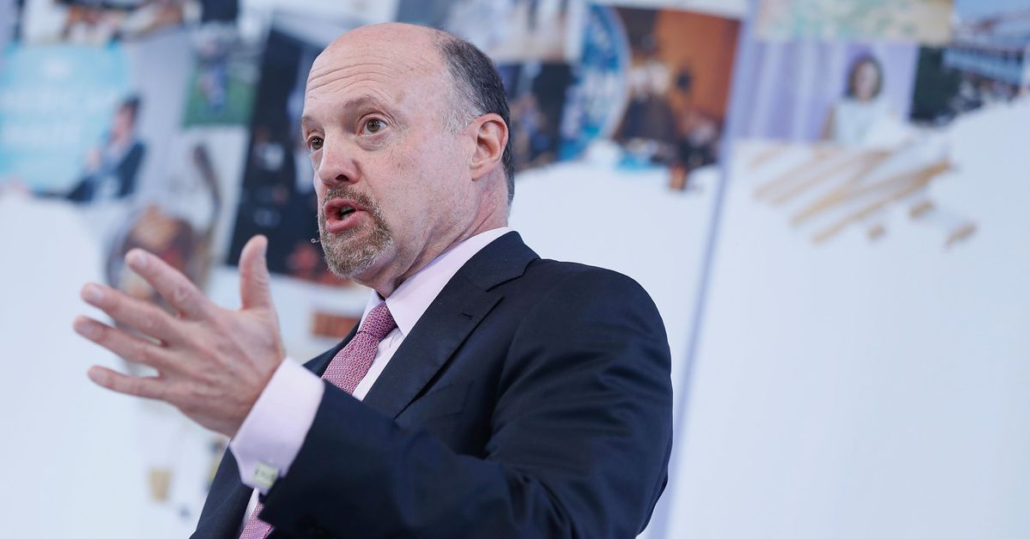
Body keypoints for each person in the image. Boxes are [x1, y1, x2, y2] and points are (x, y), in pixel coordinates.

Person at [73, 23, 673, 538]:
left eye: (371, 124)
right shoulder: (308, 382)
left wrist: (285, 418)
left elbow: (552, 526)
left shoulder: (584, 313)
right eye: (315, 140)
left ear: (482, 146)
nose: (328, 166)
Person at [62, 95, 146, 203]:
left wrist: (100, 164)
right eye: (116, 115)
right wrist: (91, 166)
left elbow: (124, 179)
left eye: (124, 117)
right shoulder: (103, 141)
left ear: (132, 120)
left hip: (118, 204)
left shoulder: (137, 148)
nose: (117, 121)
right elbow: (88, 179)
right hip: (92, 202)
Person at [823, 54, 896, 146]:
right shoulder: (838, 106)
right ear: (853, 78)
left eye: (870, 78)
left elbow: (892, 142)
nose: (864, 82)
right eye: (861, 76)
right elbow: (822, 144)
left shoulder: (886, 109)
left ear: (877, 81)